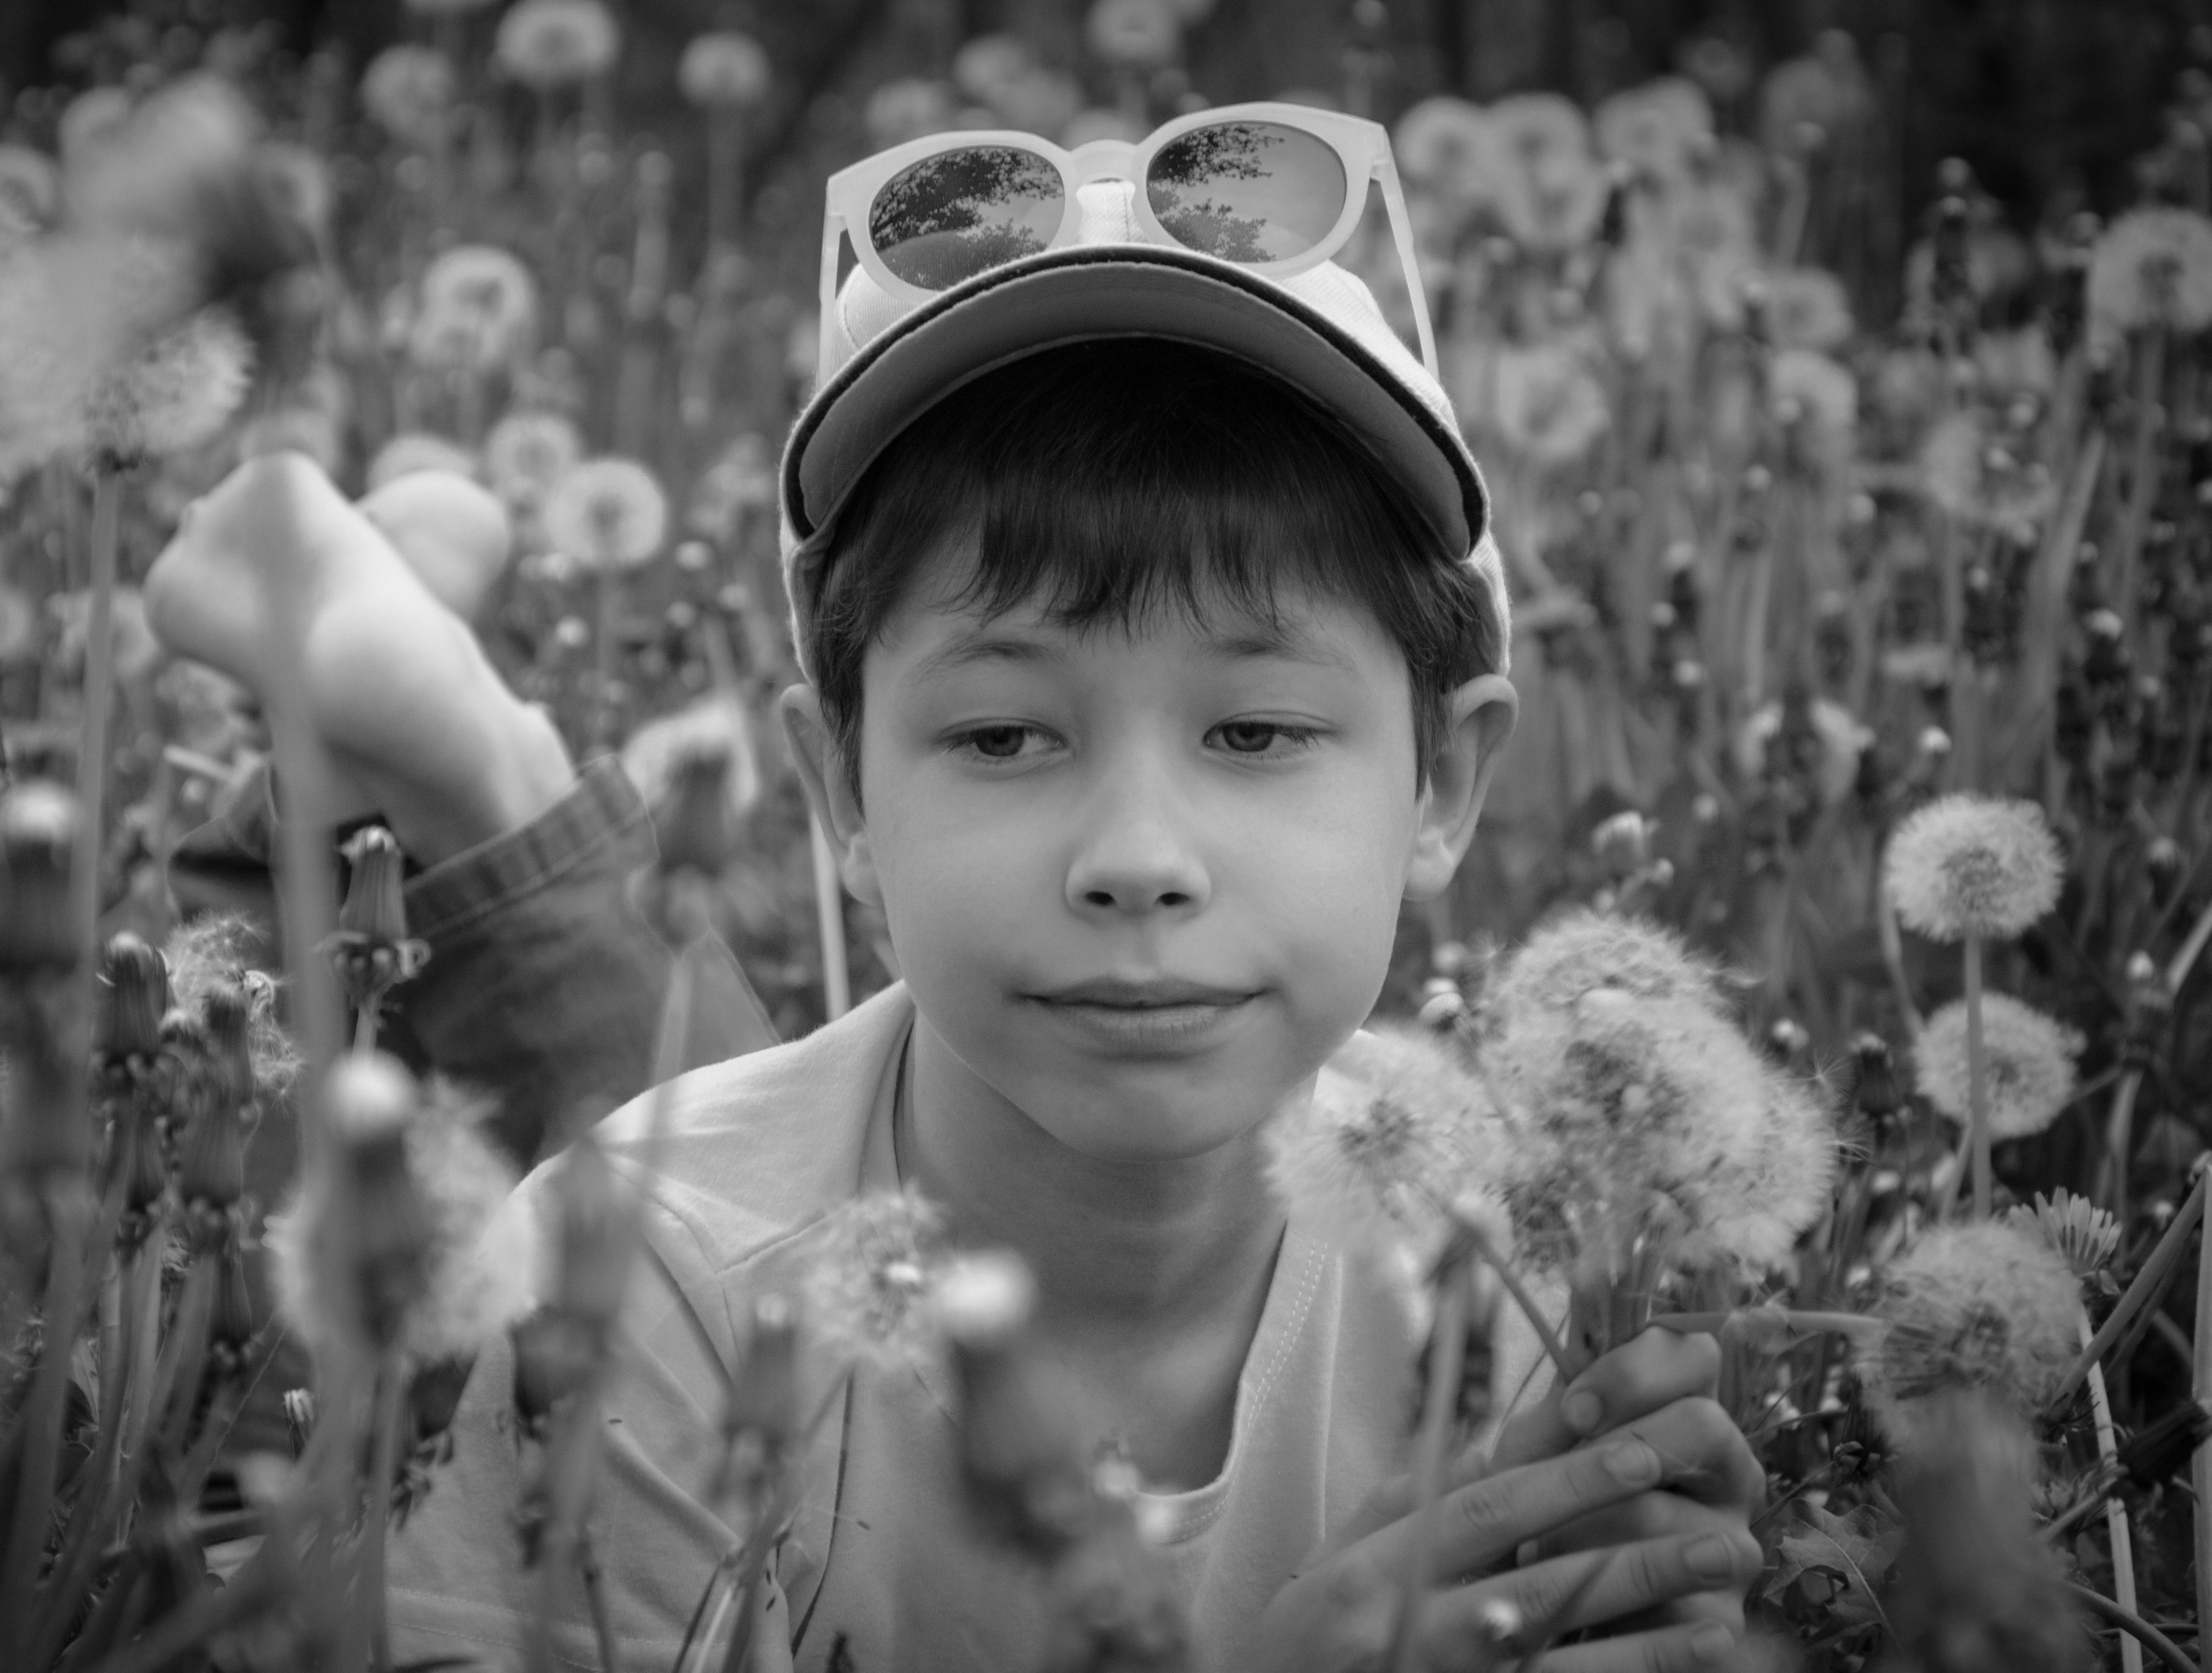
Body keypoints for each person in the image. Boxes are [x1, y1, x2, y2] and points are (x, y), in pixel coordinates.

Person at [150, 107, 1764, 1673]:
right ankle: (416, 749)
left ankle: (433, 722)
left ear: (1449, 784)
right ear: (841, 786)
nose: (1137, 857)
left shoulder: (1527, 1297)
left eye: (1257, 729)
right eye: (1002, 733)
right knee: (210, 1313)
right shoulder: (649, 1277)